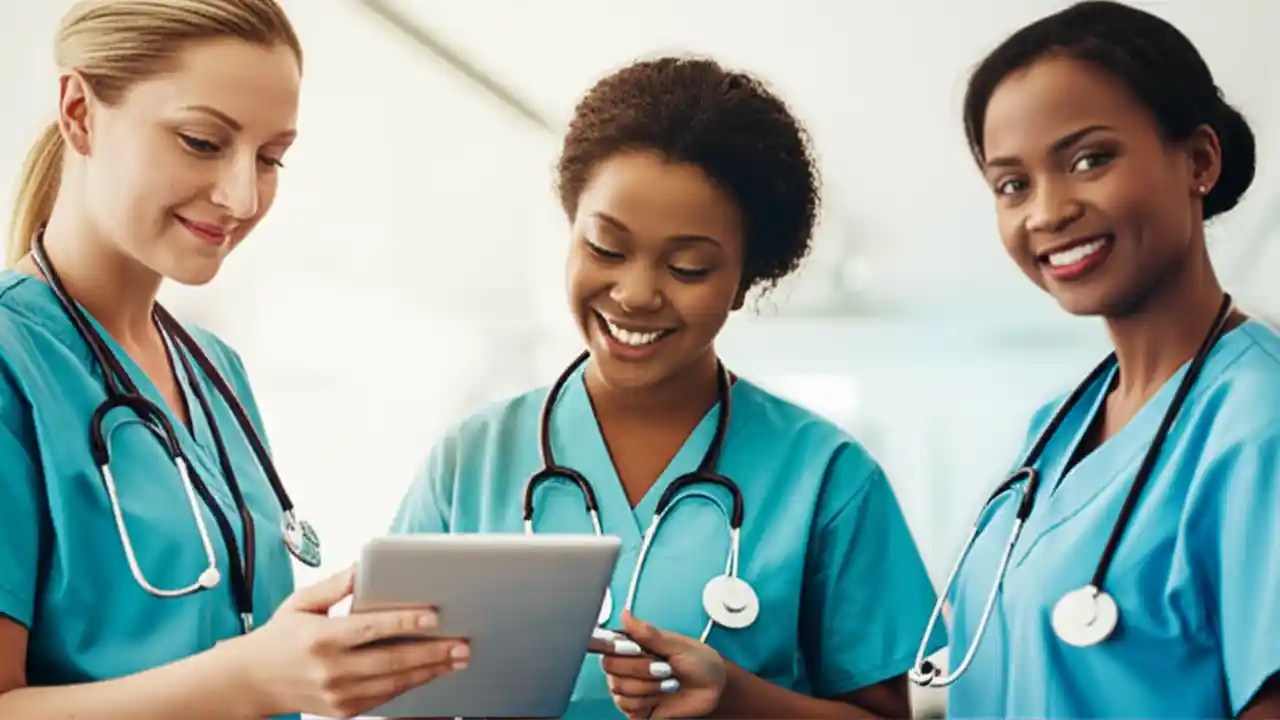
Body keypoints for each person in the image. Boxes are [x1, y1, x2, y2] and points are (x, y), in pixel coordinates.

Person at [390, 55, 945, 719]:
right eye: (605, 247)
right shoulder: (471, 462)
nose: (635, 294)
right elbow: (394, 694)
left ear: (746, 279)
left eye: (688, 267)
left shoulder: (827, 479)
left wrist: (735, 699)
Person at [0, 2, 468, 718]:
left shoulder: (215, 371)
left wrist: (330, 665)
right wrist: (249, 681)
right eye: (201, 141)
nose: (242, 196)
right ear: (79, 111)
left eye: (271, 158)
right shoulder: (13, 362)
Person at [924, 2, 1280, 717]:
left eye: (1089, 159)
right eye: (1012, 184)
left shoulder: (1258, 424)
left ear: (1199, 160)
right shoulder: (1050, 435)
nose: (1047, 212)